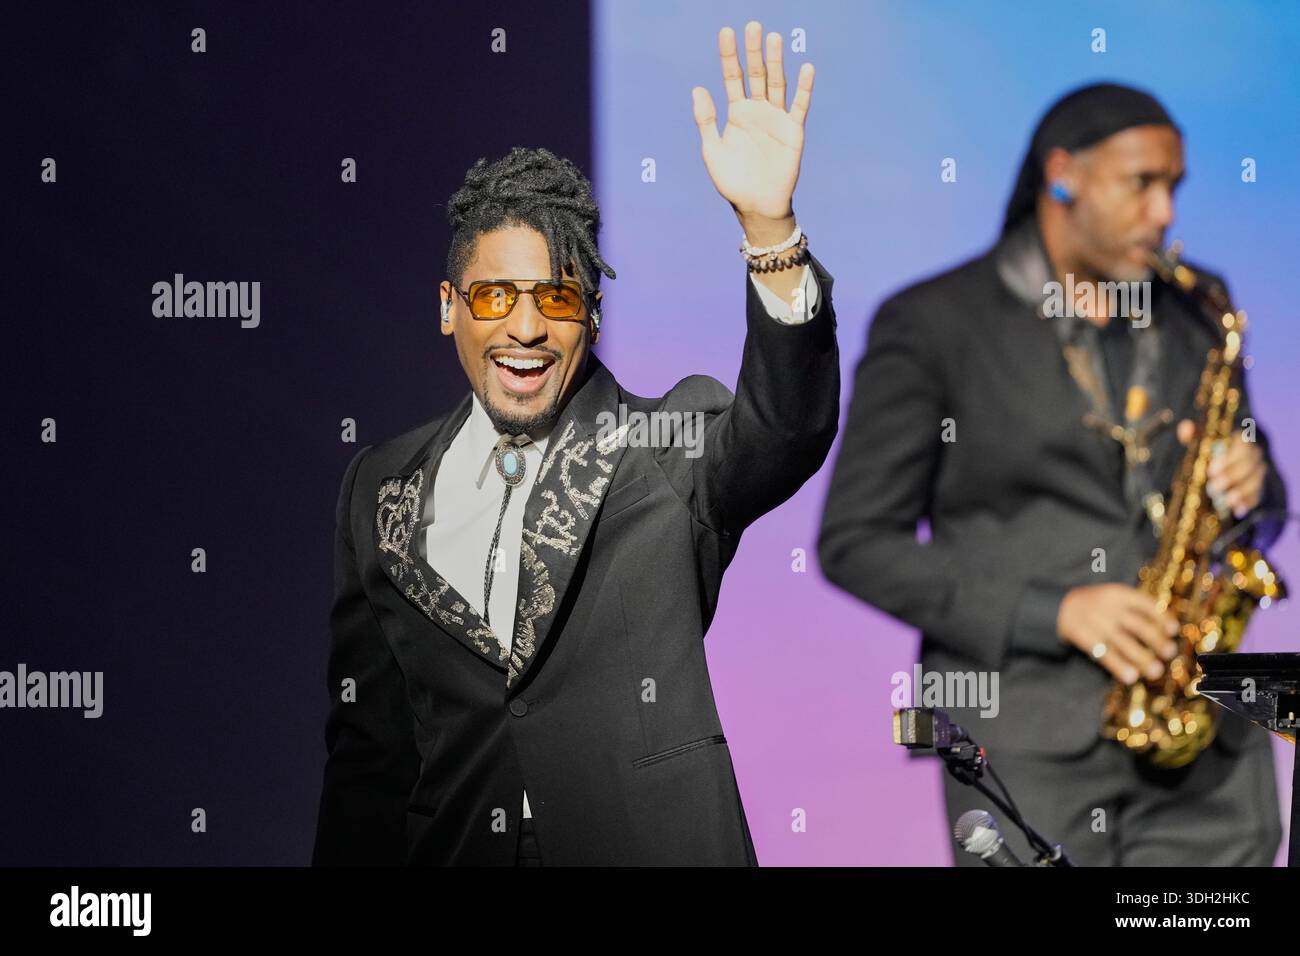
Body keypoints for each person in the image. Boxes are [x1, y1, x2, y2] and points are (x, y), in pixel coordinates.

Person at [312, 21, 839, 865]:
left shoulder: (664, 447)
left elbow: (787, 430)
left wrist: (771, 235)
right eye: (493, 299)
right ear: (448, 305)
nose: (526, 327)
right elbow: (370, 759)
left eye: (557, 299)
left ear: (592, 315)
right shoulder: (378, 489)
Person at [818, 83, 1287, 866]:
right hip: (1024, 747)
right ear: (1062, 174)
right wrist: (1056, 611)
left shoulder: (1199, 308)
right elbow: (855, 542)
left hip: (1205, 749)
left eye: (1174, 186)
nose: (1166, 211)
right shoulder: (932, 324)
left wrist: (1255, 482)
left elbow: (1258, 500)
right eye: (1143, 183)